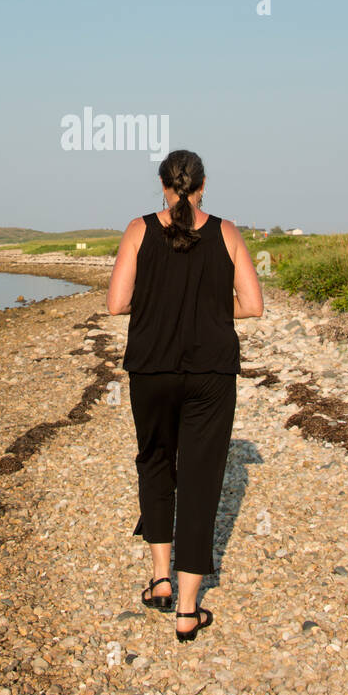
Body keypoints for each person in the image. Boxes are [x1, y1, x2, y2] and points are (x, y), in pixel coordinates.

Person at [106, 149, 264, 642]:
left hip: (151, 368)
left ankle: (159, 580)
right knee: (201, 481)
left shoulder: (137, 230)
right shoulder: (227, 232)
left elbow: (116, 305)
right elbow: (253, 306)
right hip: (211, 372)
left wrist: (160, 305)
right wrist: (209, 311)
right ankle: (188, 609)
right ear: (202, 187)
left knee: (155, 463)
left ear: (163, 186)